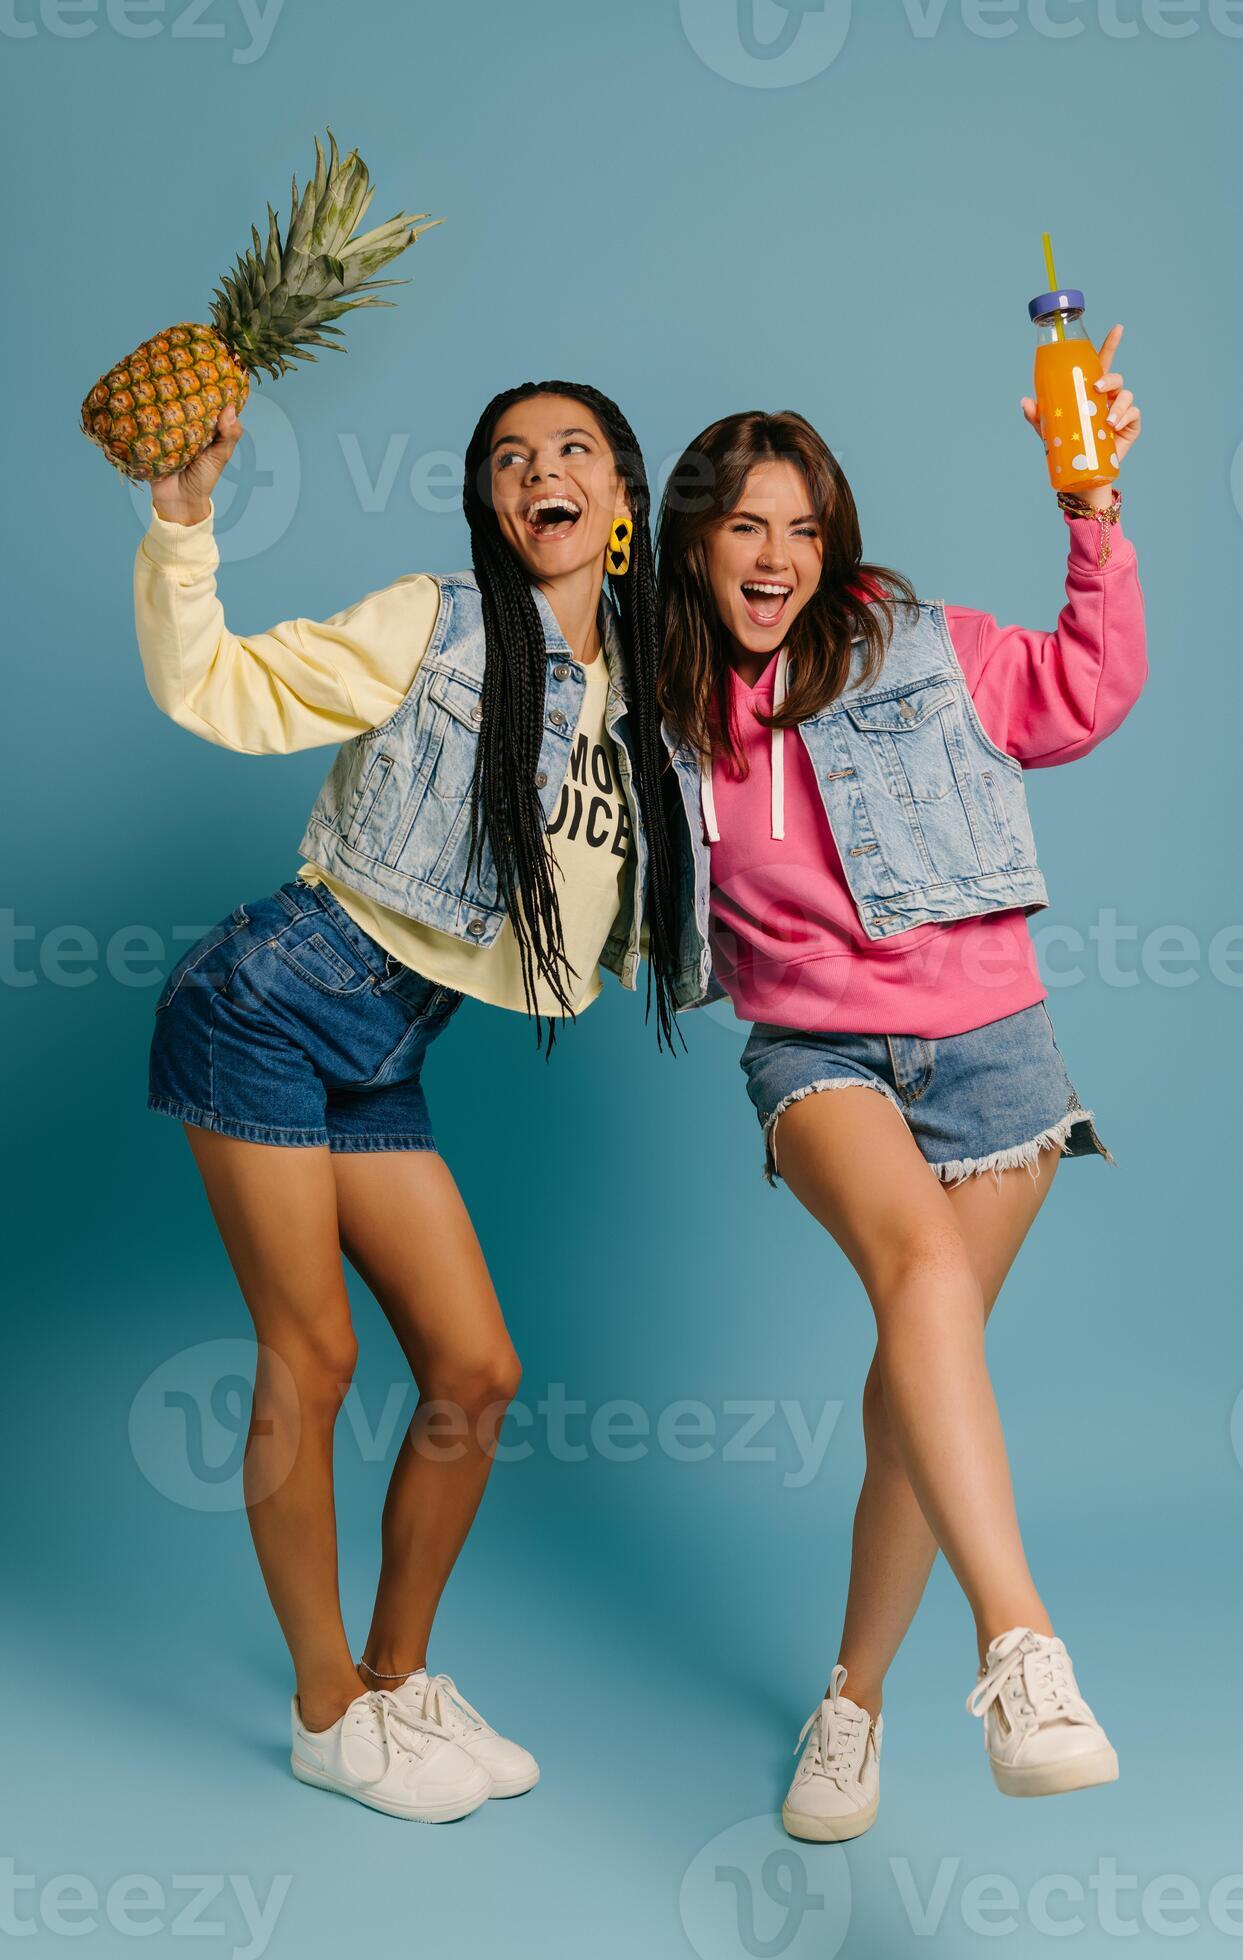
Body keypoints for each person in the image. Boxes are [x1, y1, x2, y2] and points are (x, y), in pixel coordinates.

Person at [134, 380, 697, 1822]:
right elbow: (220, 687)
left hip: (385, 1046)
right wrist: (183, 525)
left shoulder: (645, 699)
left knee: (475, 1371)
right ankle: (327, 1711)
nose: (538, 471)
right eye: (509, 458)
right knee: (313, 1354)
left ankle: (396, 1679)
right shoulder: (434, 623)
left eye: (572, 451)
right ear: (491, 506)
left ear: (621, 500)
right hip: (269, 999)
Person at [655, 327, 1145, 1838]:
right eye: (748, 526)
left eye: (804, 530)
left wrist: (1093, 511)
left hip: (994, 1052)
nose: (778, 558)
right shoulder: (654, 696)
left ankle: (850, 1705)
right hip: (817, 1051)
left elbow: (1083, 694)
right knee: (921, 1274)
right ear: (695, 541)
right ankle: (1024, 1650)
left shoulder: (919, 643)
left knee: (904, 1408)